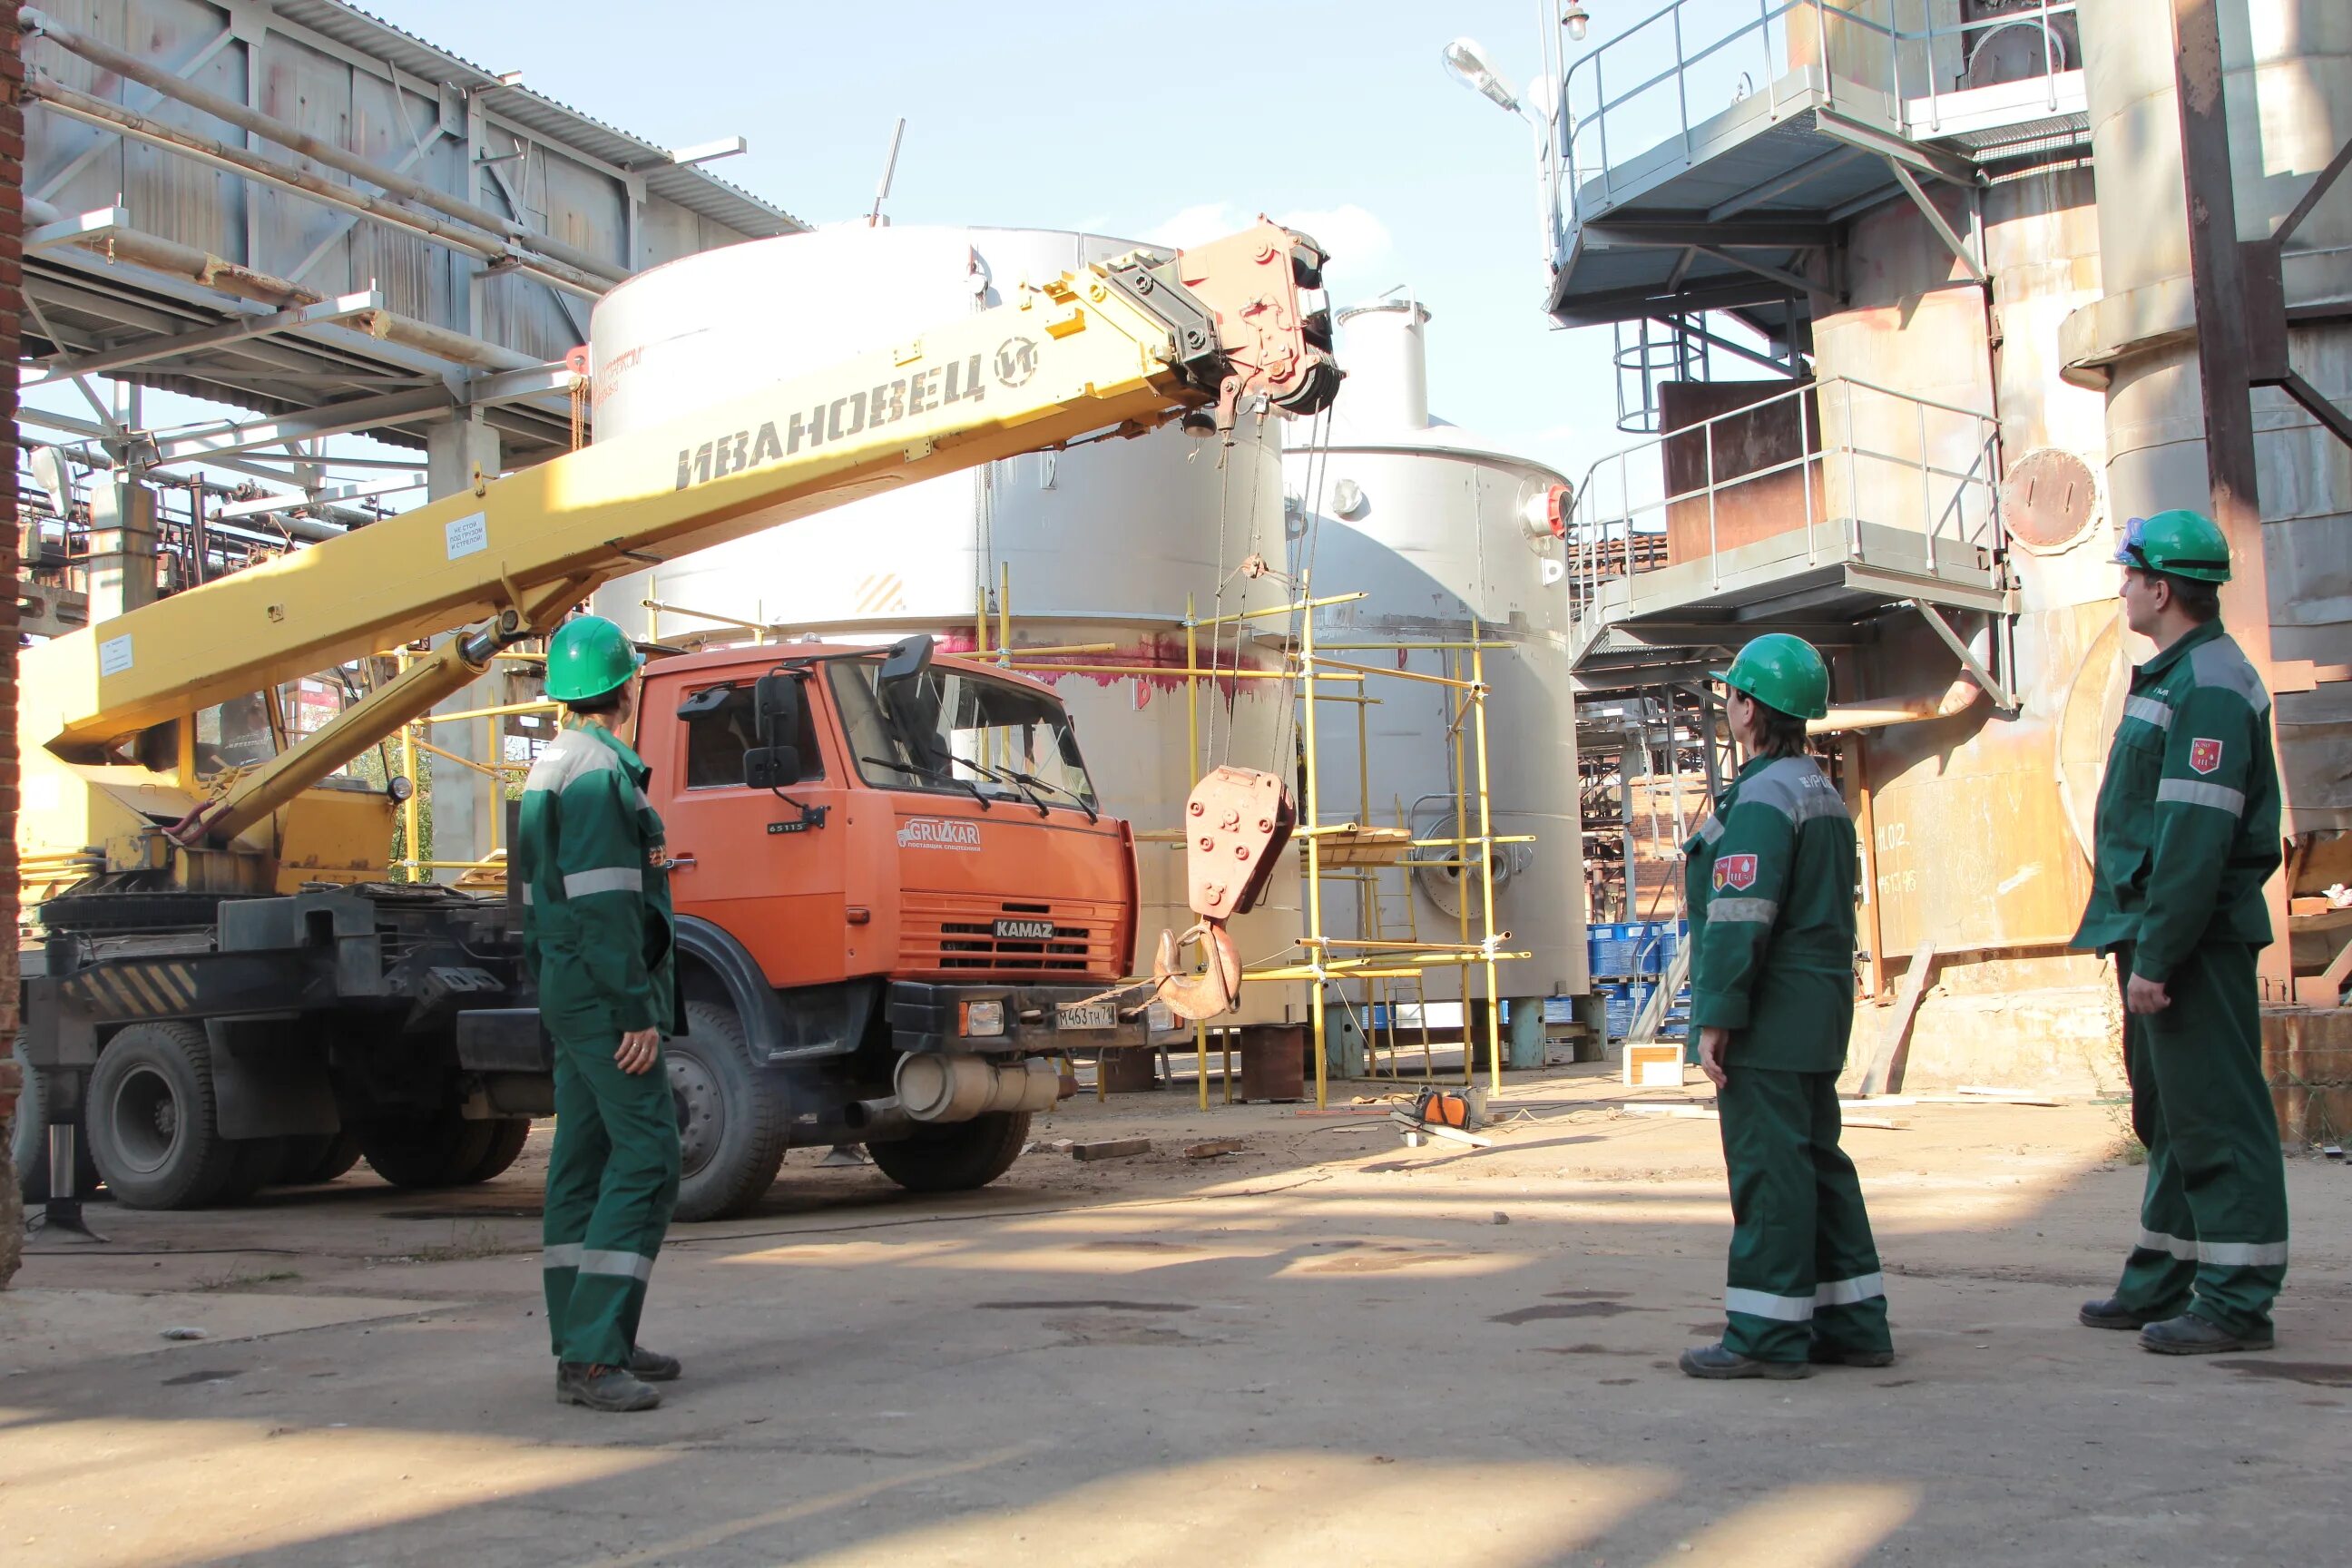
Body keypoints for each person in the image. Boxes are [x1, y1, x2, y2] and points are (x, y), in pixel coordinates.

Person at [2073, 509, 2287, 1355]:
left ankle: (2236, 1301)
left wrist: (2159, 958)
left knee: (2218, 1117)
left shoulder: (2210, 686)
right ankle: (2165, 1272)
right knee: (2170, 1116)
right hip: (2154, 931)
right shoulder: (2173, 676)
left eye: (2130, 575)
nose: (2122, 587)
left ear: (2162, 590)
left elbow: (2195, 842)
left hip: (2188, 942)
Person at [1679, 632, 1893, 1380]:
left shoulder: (1765, 798)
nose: (1726, 705)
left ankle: (1766, 1336)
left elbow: (1742, 918)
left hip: (1770, 1014)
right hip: (1818, 1009)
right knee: (1817, 1162)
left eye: (1731, 695)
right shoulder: (1817, 790)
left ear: (1749, 709)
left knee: (1770, 1171)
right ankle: (1854, 1322)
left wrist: (1717, 1018)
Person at [516, 614, 685, 1411]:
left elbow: (534, 903)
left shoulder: (550, 766)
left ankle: (589, 1335)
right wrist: (631, 1012)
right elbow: (610, 909)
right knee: (649, 1155)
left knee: (581, 1162)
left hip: (566, 985)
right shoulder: (601, 777)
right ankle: (592, 1356)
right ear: (629, 687)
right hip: (603, 993)